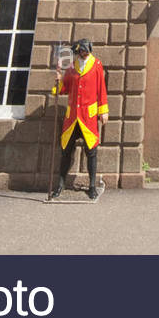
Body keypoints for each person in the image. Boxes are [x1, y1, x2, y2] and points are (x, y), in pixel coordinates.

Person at [49, 39, 108, 200]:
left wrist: (103, 110)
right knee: (66, 151)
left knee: (92, 152)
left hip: (88, 116)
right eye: (82, 51)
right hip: (73, 116)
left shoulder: (96, 65)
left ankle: (92, 186)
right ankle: (60, 185)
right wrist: (58, 82)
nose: (85, 53)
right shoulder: (72, 67)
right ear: (79, 52)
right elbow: (64, 88)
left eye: (87, 50)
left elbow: (101, 88)